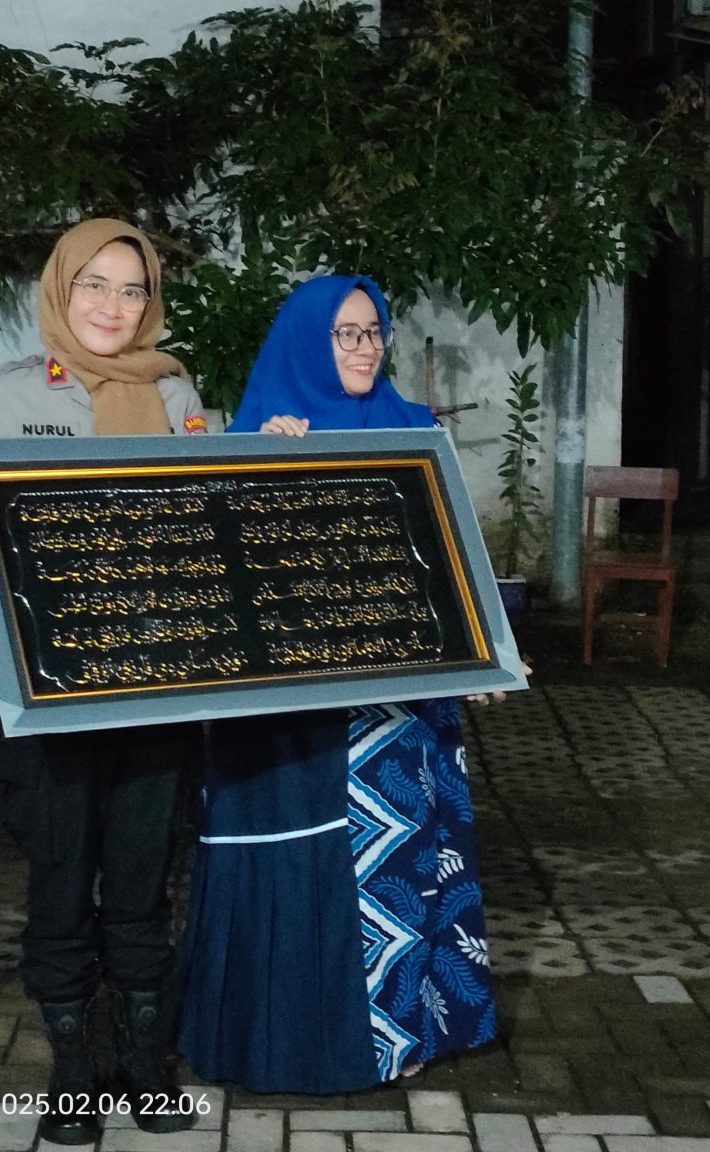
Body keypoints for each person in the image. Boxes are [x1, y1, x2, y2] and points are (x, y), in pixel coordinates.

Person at [176, 275, 496, 1093]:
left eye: (374, 332)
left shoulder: (415, 430)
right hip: (301, 721)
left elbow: (455, 555)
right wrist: (268, 466)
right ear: (307, 342)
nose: (363, 348)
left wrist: (487, 646)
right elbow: (228, 588)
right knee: (315, 863)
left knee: (409, 861)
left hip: (403, 706)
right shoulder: (258, 433)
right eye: (344, 334)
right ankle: (304, 1045)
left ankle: (404, 1035)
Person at [0, 218, 207, 1144]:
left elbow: (201, 524)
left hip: (155, 681)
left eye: (133, 290)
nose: (113, 307)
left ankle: (144, 1064)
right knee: (60, 886)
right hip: (41, 696)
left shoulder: (175, 394)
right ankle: (75, 1073)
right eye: (94, 284)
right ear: (60, 289)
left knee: (141, 886)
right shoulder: (4, 398)